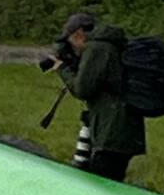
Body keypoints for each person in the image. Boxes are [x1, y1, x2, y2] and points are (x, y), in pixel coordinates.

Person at [49, 13, 145, 183]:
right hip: (120, 129)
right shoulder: (111, 45)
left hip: (112, 132)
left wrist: (62, 68)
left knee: (101, 187)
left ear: (78, 34)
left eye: (70, 41)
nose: (72, 48)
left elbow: (82, 89)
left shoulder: (97, 48)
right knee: (105, 183)